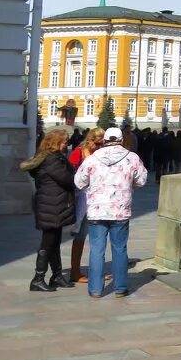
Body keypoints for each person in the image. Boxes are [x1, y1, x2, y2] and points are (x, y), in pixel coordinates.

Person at [73, 126, 148, 298]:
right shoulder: (132, 158)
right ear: (121, 140)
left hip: (97, 210)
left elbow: (79, 182)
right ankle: (120, 288)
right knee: (120, 249)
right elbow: (142, 180)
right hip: (120, 210)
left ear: (105, 140)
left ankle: (96, 289)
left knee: (97, 250)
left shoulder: (92, 159)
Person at [19, 129, 76, 292]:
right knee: (48, 241)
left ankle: (57, 276)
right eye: (64, 141)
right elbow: (67, 179)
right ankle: (38, 278)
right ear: (55, 143)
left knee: (54, 241)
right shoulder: (52, 160)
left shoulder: (50, 157)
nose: (67, 144)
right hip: (51, 204)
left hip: (52, 203)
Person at [67, 127, 104, 283]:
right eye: (98, 143)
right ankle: (75, 271)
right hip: (81, 198)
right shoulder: (79, 152)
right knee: (80, 235)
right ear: (90, 141)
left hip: (98, 199)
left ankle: (95, 272)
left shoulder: (100, 154)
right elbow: (69, 172)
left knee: (97, 236)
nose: (100, 147)